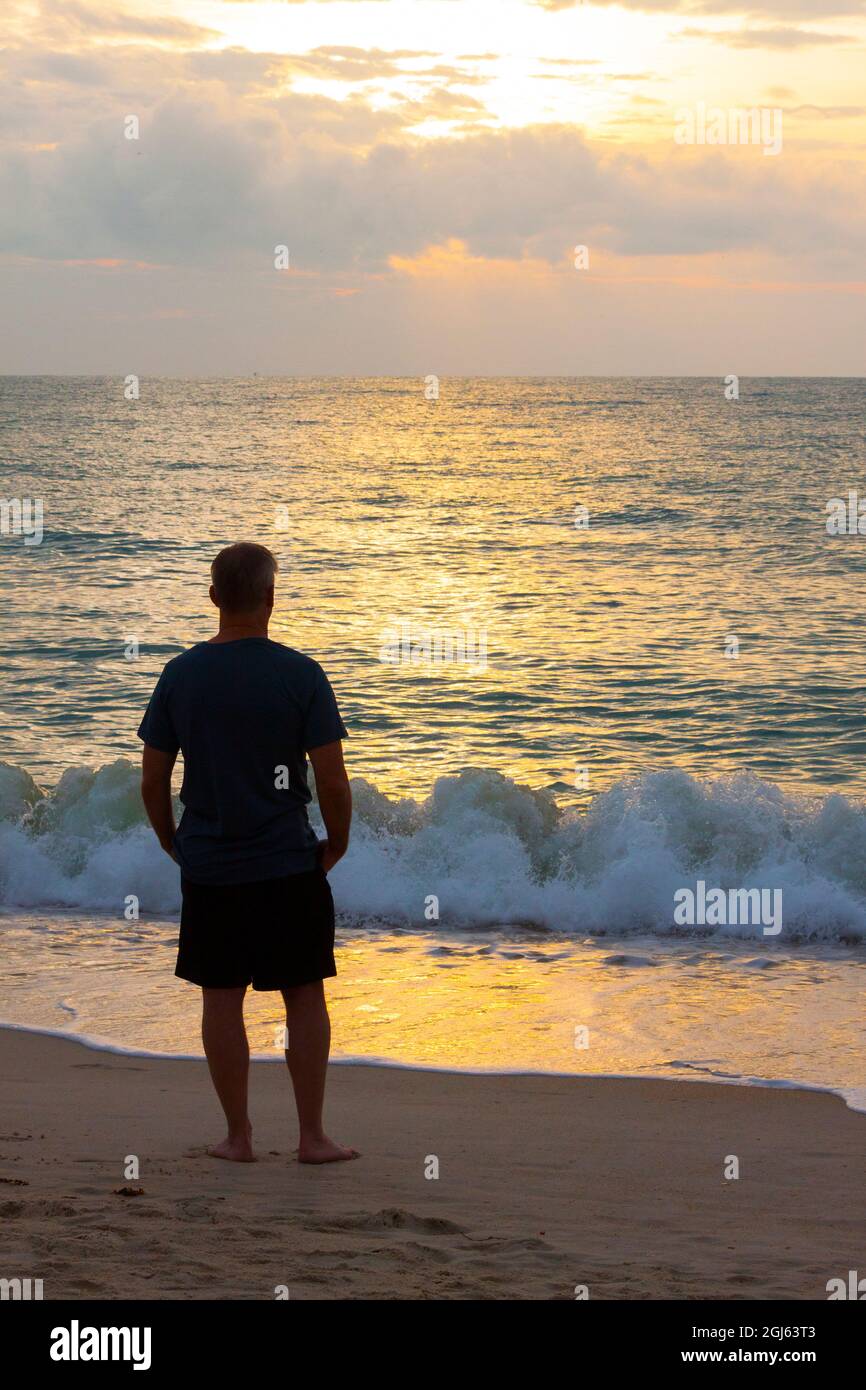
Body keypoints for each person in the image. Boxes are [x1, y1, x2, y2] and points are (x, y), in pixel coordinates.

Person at [137, 542, 357, 1165]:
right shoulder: (299, 673)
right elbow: (332, 778)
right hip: (289, 861)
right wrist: (336, 841)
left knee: (221, 995)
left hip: (211, 866)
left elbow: (152, 779)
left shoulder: (180, 674)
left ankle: (238, 1137)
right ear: (269, 598)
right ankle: (312, 1137)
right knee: (304, 993)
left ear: (214, 598)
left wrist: (168, 838)